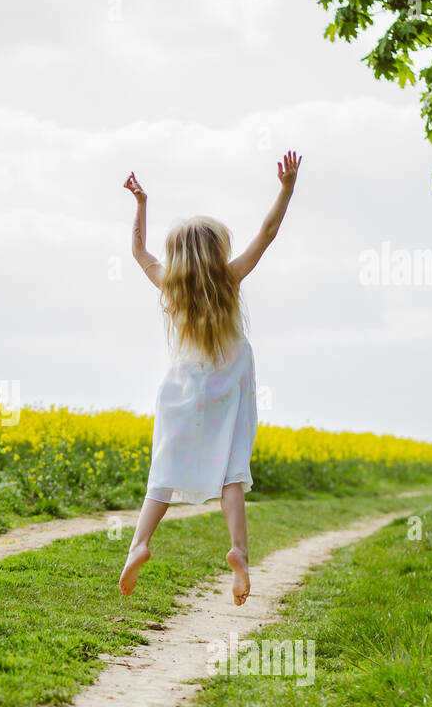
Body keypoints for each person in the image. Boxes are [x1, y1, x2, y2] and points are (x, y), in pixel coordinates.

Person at [117, 151, 302, 604]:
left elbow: (138, 250)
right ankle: (238, 549)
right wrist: (287, 188)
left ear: (178, 256)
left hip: (181, 386)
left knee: (163, 469)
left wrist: (141, 204)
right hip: (229, 385)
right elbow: (268, 233)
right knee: (231, 473)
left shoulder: (170, 285)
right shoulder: (230, 278)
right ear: (217, 250)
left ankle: (139, 543)